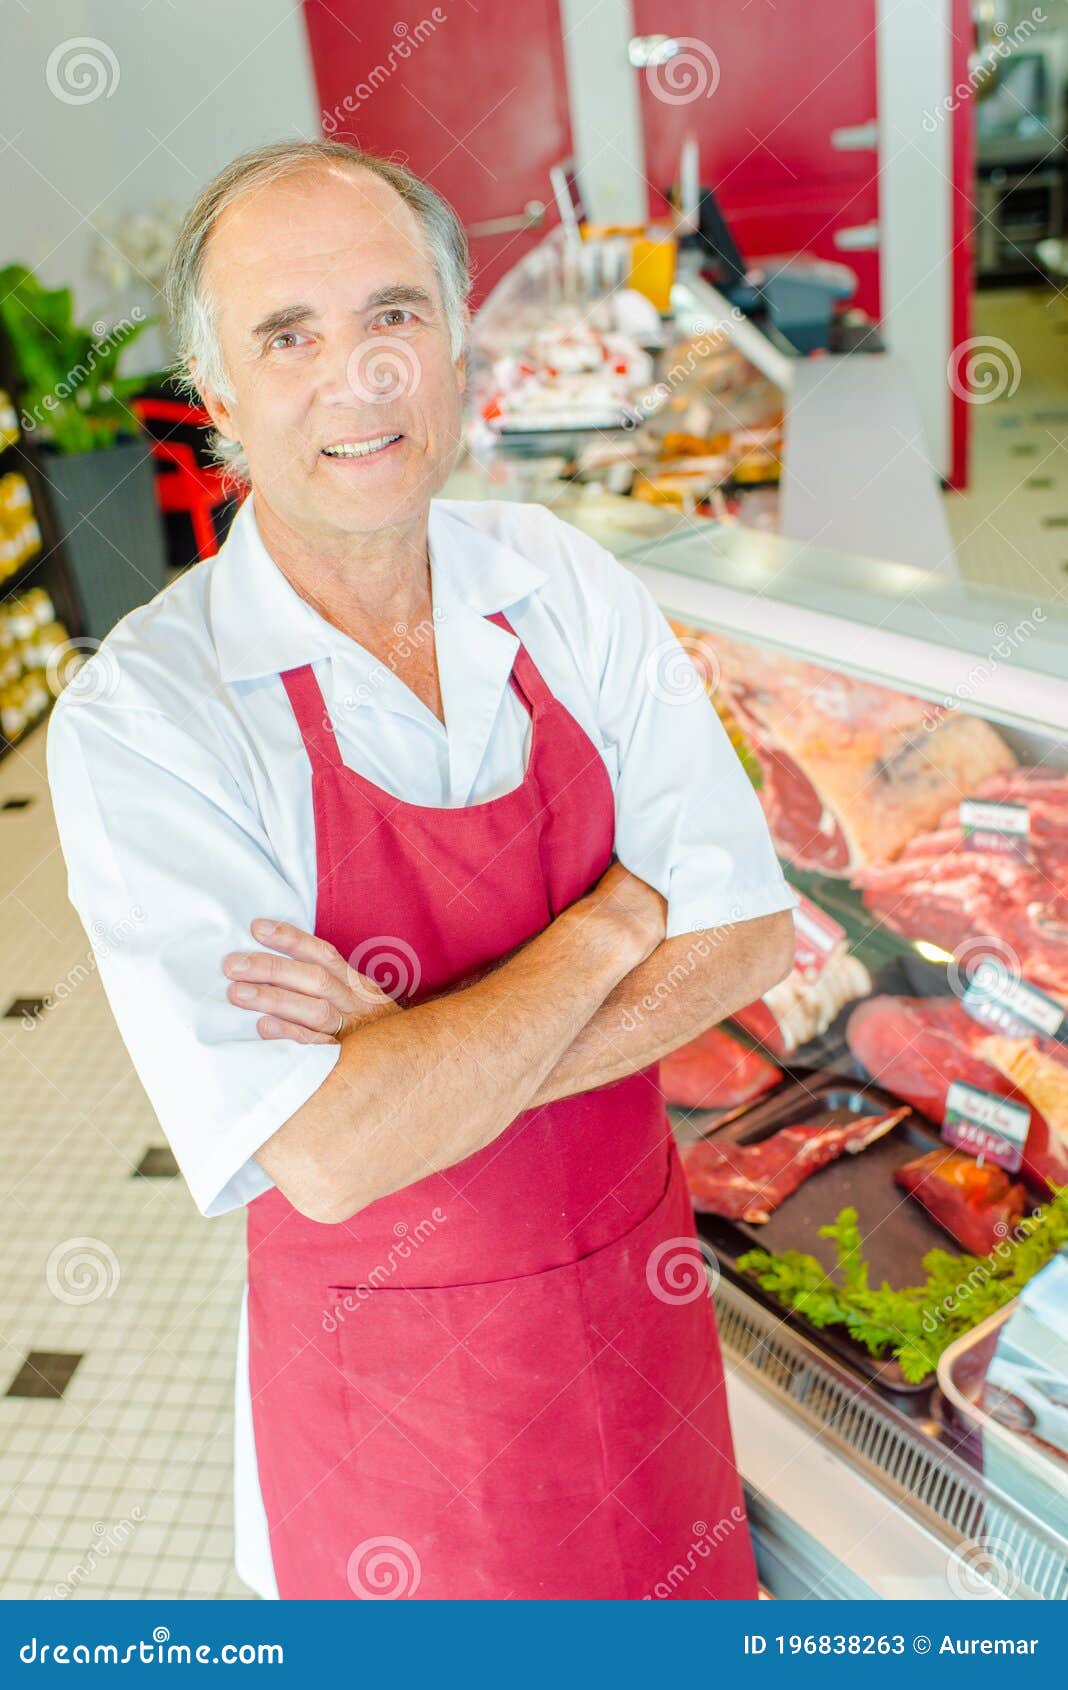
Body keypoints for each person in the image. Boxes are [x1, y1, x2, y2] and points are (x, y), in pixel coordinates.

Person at [47, 139, 797, 1601]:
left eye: (394, 315)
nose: (359, 375)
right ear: (217, 401)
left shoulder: (564, 579)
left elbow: (747, 935)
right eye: (290, 334)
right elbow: (326, 1154)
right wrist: (606, 928)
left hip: (638, 1320)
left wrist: (410, 1069)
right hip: (388, 1417)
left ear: (457, 339)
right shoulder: (149, 716)